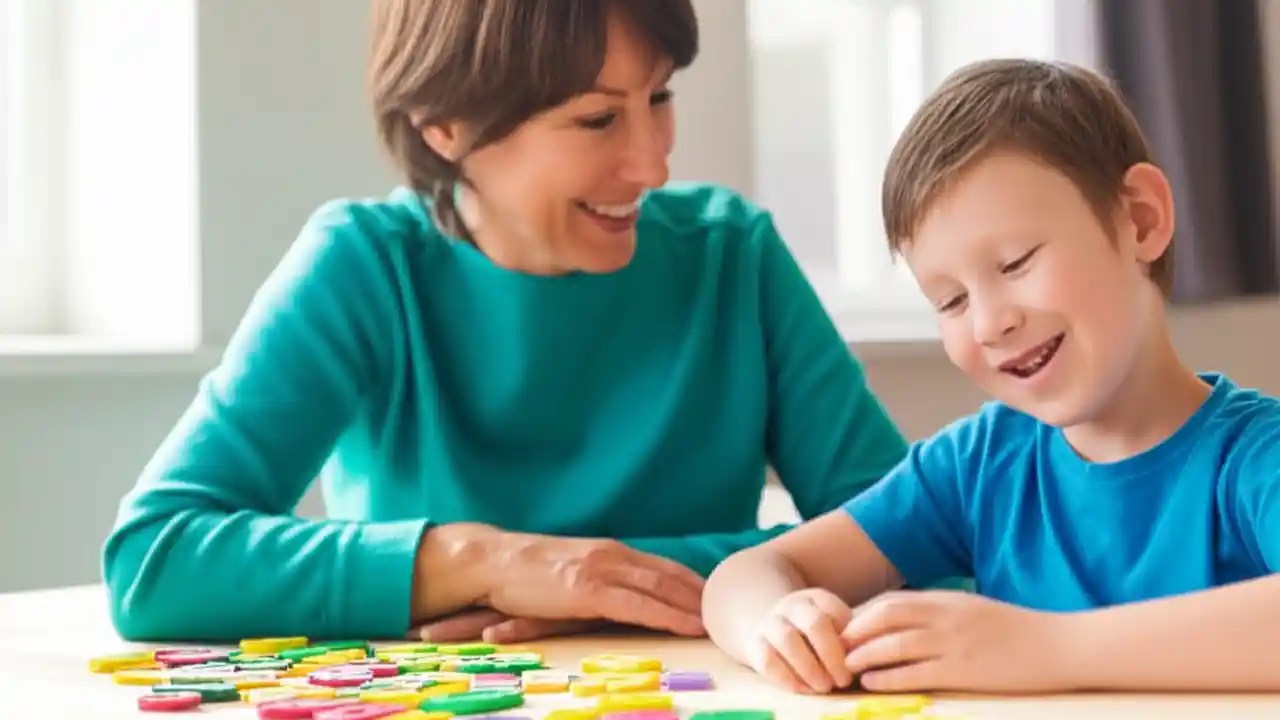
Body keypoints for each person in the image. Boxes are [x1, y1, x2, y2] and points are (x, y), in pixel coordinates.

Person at [100, 0, 908, 644]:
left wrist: (596, 587)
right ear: (443, 123)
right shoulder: (363, 268)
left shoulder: (734, 257)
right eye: (598, 118)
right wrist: (480, 560)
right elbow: (154, 559)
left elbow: (917, 539)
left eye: (657, 97)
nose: (653, 163)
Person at [703, 58, 1280, 694]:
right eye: (950, 301)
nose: (987, 324)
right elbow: (749, 574)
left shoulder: (1252, 457)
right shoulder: (980, 466)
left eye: (1014, 262)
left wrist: (1048, 649)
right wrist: (779, 622)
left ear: (1140, 220)